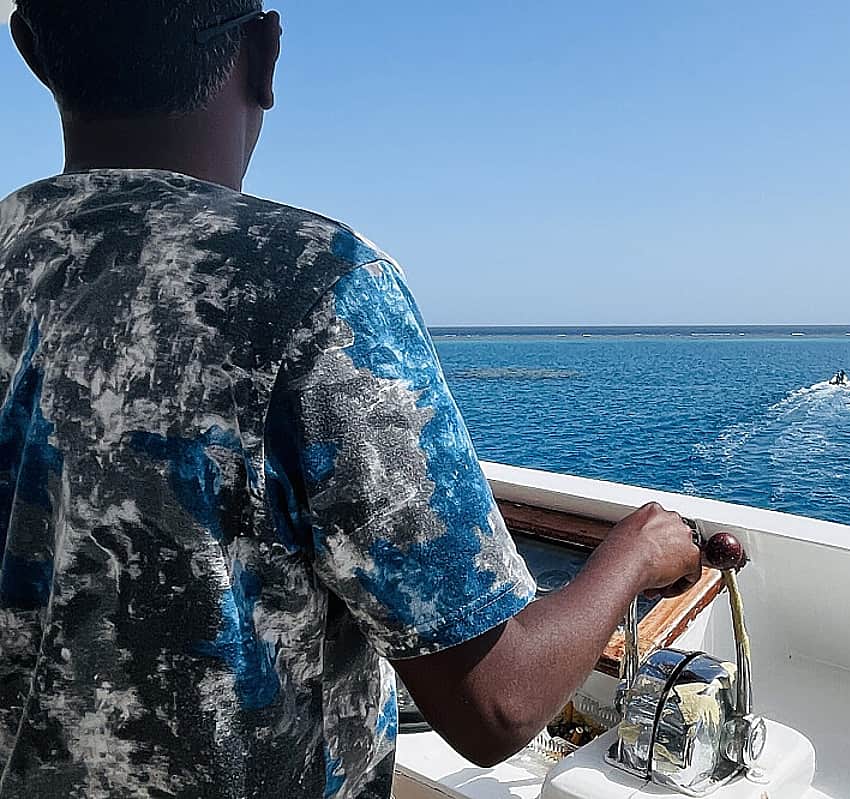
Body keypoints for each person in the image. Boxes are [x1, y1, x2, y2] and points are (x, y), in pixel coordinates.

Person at [0, 4, 702, 798]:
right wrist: (635, 555)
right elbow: (493, 704)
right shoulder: (313, 282)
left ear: (29, 50)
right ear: (265, 55)